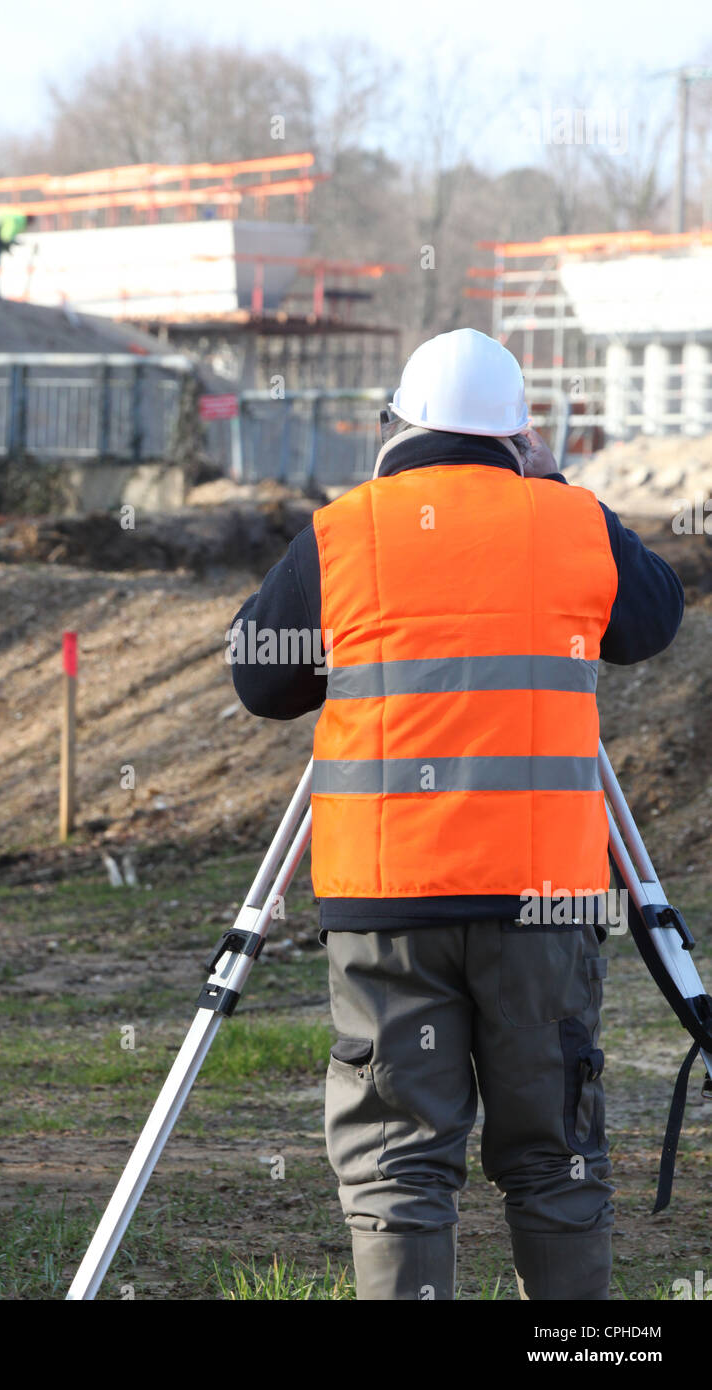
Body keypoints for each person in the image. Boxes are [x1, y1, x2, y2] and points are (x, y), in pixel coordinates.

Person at [227, 328, 684, 1301]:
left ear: (392, 424)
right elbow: (650, 621)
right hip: (543, 910)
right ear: (517, 435)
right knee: (551, 1155)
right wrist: (554, 488)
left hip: (386, 909)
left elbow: (259, 680)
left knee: (396, 1163)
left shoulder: (343, 530)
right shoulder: (570, 521)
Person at [0, 210, 34, 299]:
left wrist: (8, 247)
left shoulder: (16, 218)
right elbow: (5, 237)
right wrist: (16, 243)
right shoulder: (18, 221)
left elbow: (4, 238)